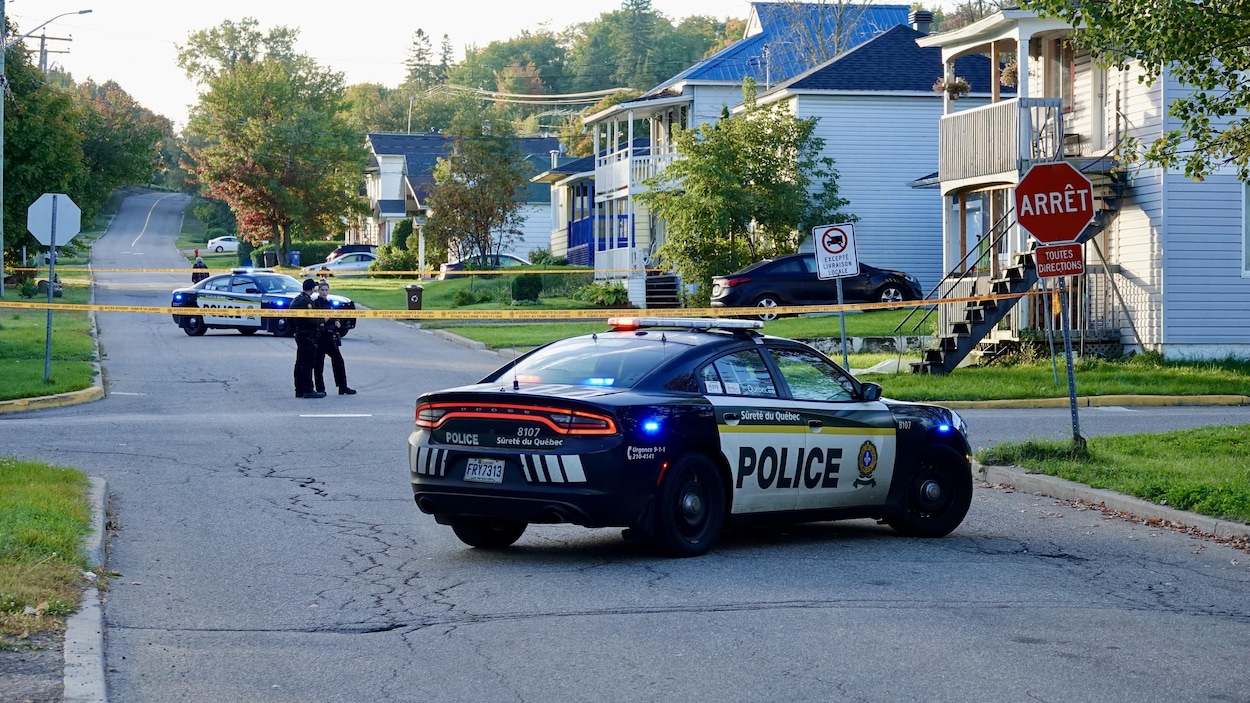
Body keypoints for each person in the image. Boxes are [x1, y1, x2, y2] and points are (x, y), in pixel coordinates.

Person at [312, 279, 356, 395]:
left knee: (338, 360)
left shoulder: (329, 303)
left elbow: (334, 316)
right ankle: (320, 388)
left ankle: (342, 386)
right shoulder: (316, 304)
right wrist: (322, 322)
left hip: (330, 336)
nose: (324, 292)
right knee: (319, 363)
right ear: (318, 291)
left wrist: (337, 322)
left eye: (326, 290)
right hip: (320, 336)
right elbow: (315, 320)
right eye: (322, 290)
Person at [290, 279, 324, 398]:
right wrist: (323, 320)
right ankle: (308, 390)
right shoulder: (306, 302)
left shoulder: (296, 299)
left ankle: (299, 389)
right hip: (307, 335)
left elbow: (290, 319)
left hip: (299, 333)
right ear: (312, 289)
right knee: (307, 364)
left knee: (299, 363)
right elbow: (311, 319)